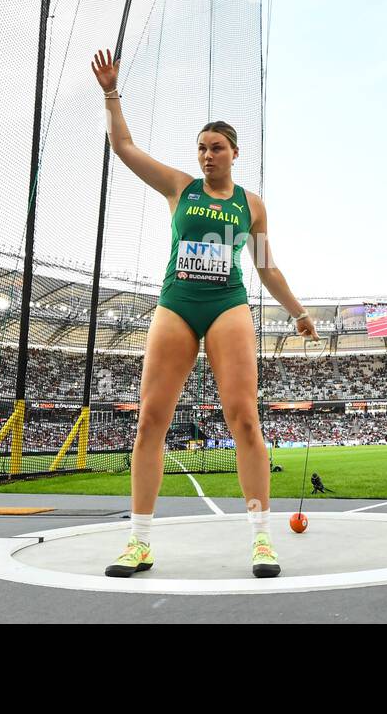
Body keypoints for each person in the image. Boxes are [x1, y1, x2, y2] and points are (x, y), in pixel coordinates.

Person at [92, 49, 317, 578]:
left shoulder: (252, 204)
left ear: (234, 153)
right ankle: (139, 542)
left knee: (243, 417)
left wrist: (299, 313)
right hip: (176, 303)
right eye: (201, 148)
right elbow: (123, 146)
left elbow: (267, 268)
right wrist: (110, 92)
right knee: (151, 420)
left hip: (227, 306)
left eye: (216, 147)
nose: (207, 155)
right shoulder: (180, 188)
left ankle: (262, 540)